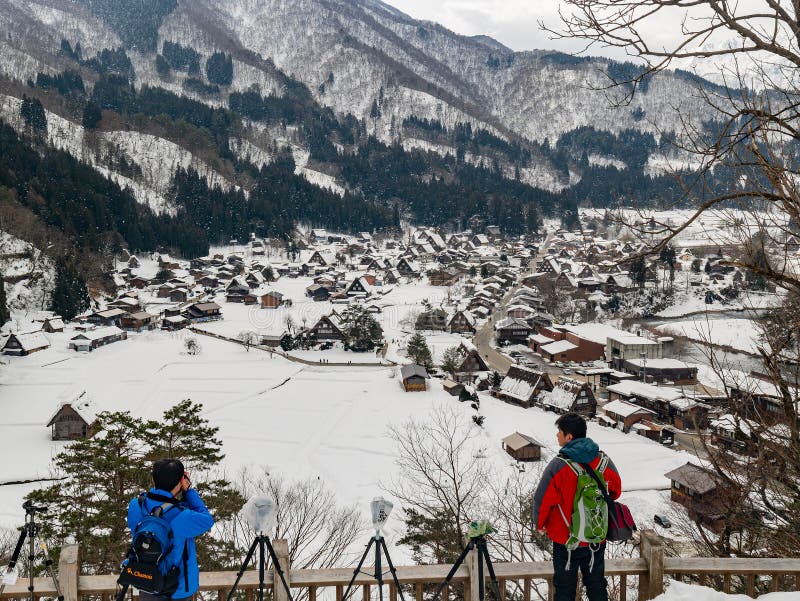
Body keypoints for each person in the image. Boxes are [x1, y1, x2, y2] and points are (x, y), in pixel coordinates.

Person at [532, 413, 622, 601]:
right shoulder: (604, 461)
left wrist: (539, 525)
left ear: (569, 437)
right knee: (596, 586)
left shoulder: (559, 465)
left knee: (564, 589)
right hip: (595, 537)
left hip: (566, 541)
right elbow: (616, 490)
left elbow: (542, 499)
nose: (557, 435)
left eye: (560, 432)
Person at [127, 459, 215, 601]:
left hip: (146, 582)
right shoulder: (182, 515)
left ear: (154, 481)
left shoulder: (136, 505)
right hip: (176, 591)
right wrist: (188, 492)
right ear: (181, 480)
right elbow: (206, 519)